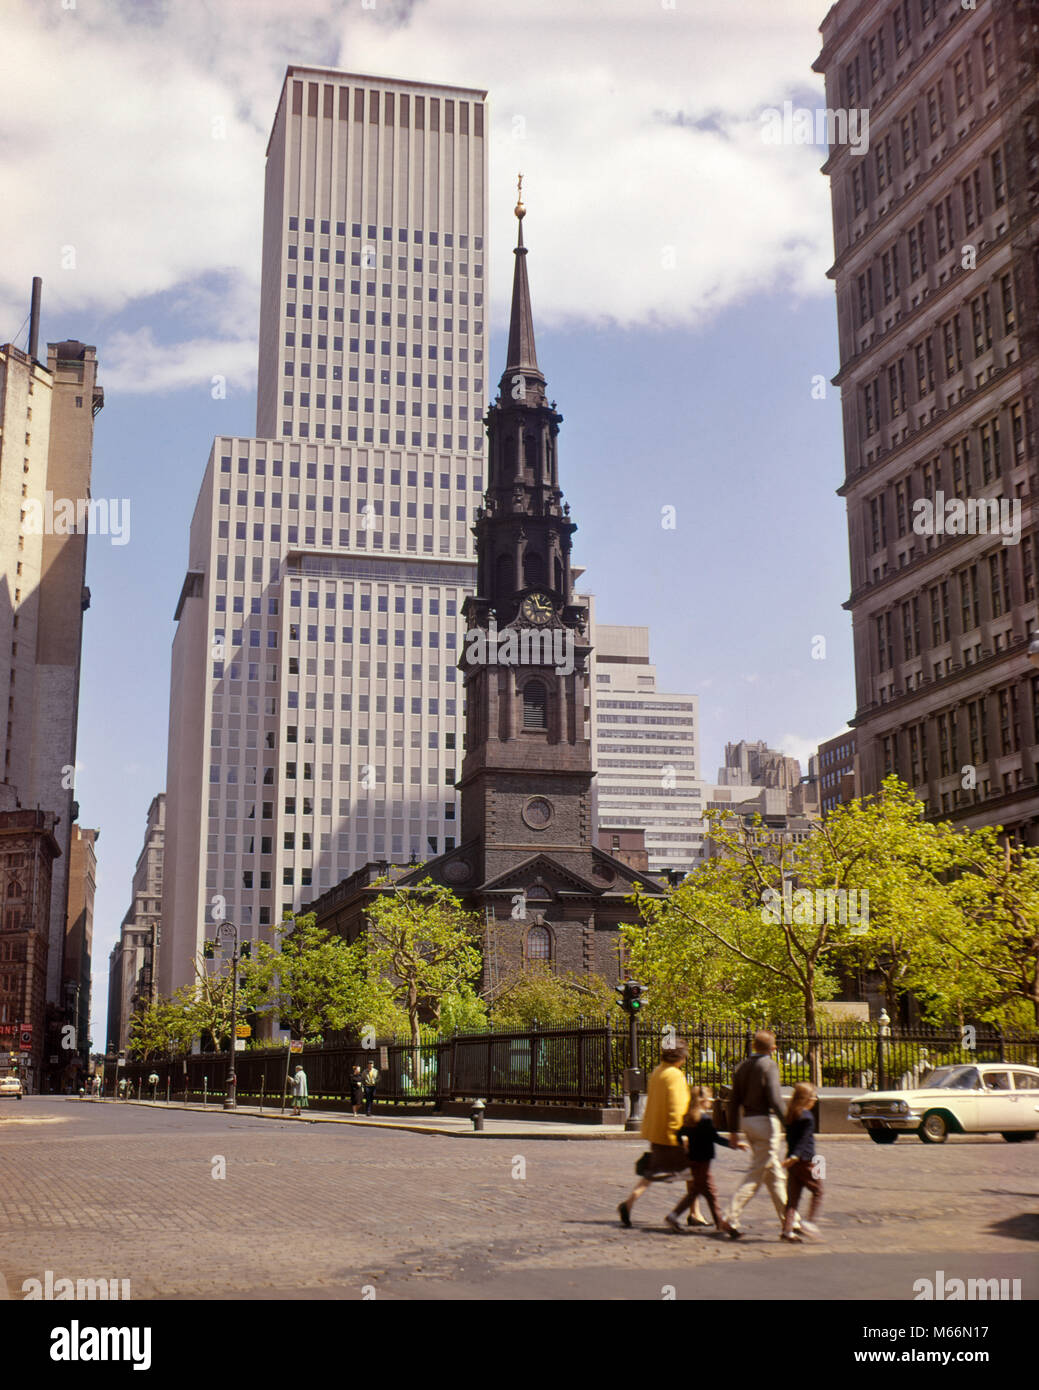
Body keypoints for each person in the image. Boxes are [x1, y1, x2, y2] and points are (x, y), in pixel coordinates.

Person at [725, 1030, 799, 1238]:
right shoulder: (769, 1065)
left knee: (774, 1173)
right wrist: (790, 1124)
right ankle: (730, 1216)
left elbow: (733, 1101)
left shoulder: (742, 1067)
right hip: (765, 1122)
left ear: (754, 1046)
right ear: (773, 1049)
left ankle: (791, 1220)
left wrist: (733, 1131)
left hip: (747, 1121)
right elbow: (775, 1099)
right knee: (757, 1172)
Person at [618, 1041, 690, 1228]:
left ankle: (629, 1202)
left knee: (651, 1174)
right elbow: (677, 1108)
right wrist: (682, 1135)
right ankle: (687, 1214)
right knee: (696, 1175)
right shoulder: (675, 1076)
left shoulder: (657, 1072)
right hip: (671, 1135)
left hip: (657, 1133)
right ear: (681, 1057)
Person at [665, 1087, 745, 1234]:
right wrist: (734, 1144)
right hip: (703, 1161)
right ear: (703, 1101)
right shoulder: (705, 1120)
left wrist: (684, 1145)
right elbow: (715, 1138)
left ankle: (717, 1222)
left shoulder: (688, 1118)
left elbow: (678, 1135)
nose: (711, 1101)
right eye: (709, 1098)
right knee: (709, 1192)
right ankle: (719, 1222)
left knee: (699, 1191)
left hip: (693, 1159)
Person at [781, 1082, 823, 1242]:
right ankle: (809, 1222)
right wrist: (796, 1156)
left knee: (792, 1199)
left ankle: (787, 1230)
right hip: (806, 1160)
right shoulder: (807, 1117)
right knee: (818, 1191)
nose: (815, 1100)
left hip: (793, 1163)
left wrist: (790, 1157)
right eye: (813, 1097)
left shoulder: (791, 1114)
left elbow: (790, 1139)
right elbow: (804, 1140)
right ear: (806, 1099)